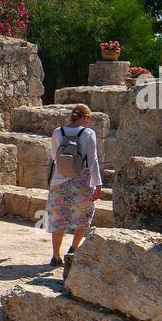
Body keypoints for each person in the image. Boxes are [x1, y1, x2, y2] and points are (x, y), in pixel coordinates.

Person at [46, 104, 102, 266]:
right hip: (81, 182)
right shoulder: (88, 133)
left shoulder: (58, 132)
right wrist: (97, 184)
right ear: (85, 118)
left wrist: (65, 167)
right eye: (89, 119)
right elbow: (93, 161)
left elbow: (54, 156)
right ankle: (73, 250)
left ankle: (55, 256)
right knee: (82, 217)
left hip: (59, 180)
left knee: (57, 218)